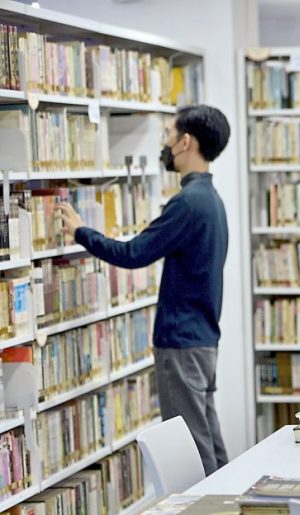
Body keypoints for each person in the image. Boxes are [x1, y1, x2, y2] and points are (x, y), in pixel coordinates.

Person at [56, 105, 231, 480]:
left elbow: (134, 253)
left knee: (191, 446)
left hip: (181, 342)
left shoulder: (187, 203)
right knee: (209, 441)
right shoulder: (212, 200)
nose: (165, 144)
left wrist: (81, 231)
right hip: (203, 339)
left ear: (186, 142)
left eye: (168, 134)